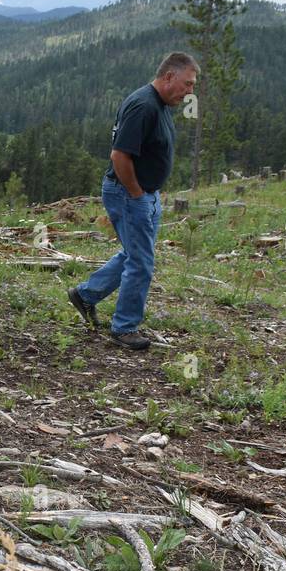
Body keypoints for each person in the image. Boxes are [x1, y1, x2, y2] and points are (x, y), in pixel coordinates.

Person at [68, 52, 199, 350]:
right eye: (187, 84)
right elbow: (119, 155)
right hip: (129, 194)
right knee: (141, 262)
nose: (190, 92)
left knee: (134, 254)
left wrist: (148, 193)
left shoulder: (161, 104)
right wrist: (137, 193)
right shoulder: (143, 105)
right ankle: (124, 328)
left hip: (145, 195)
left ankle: (86, 295)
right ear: (169, 76)